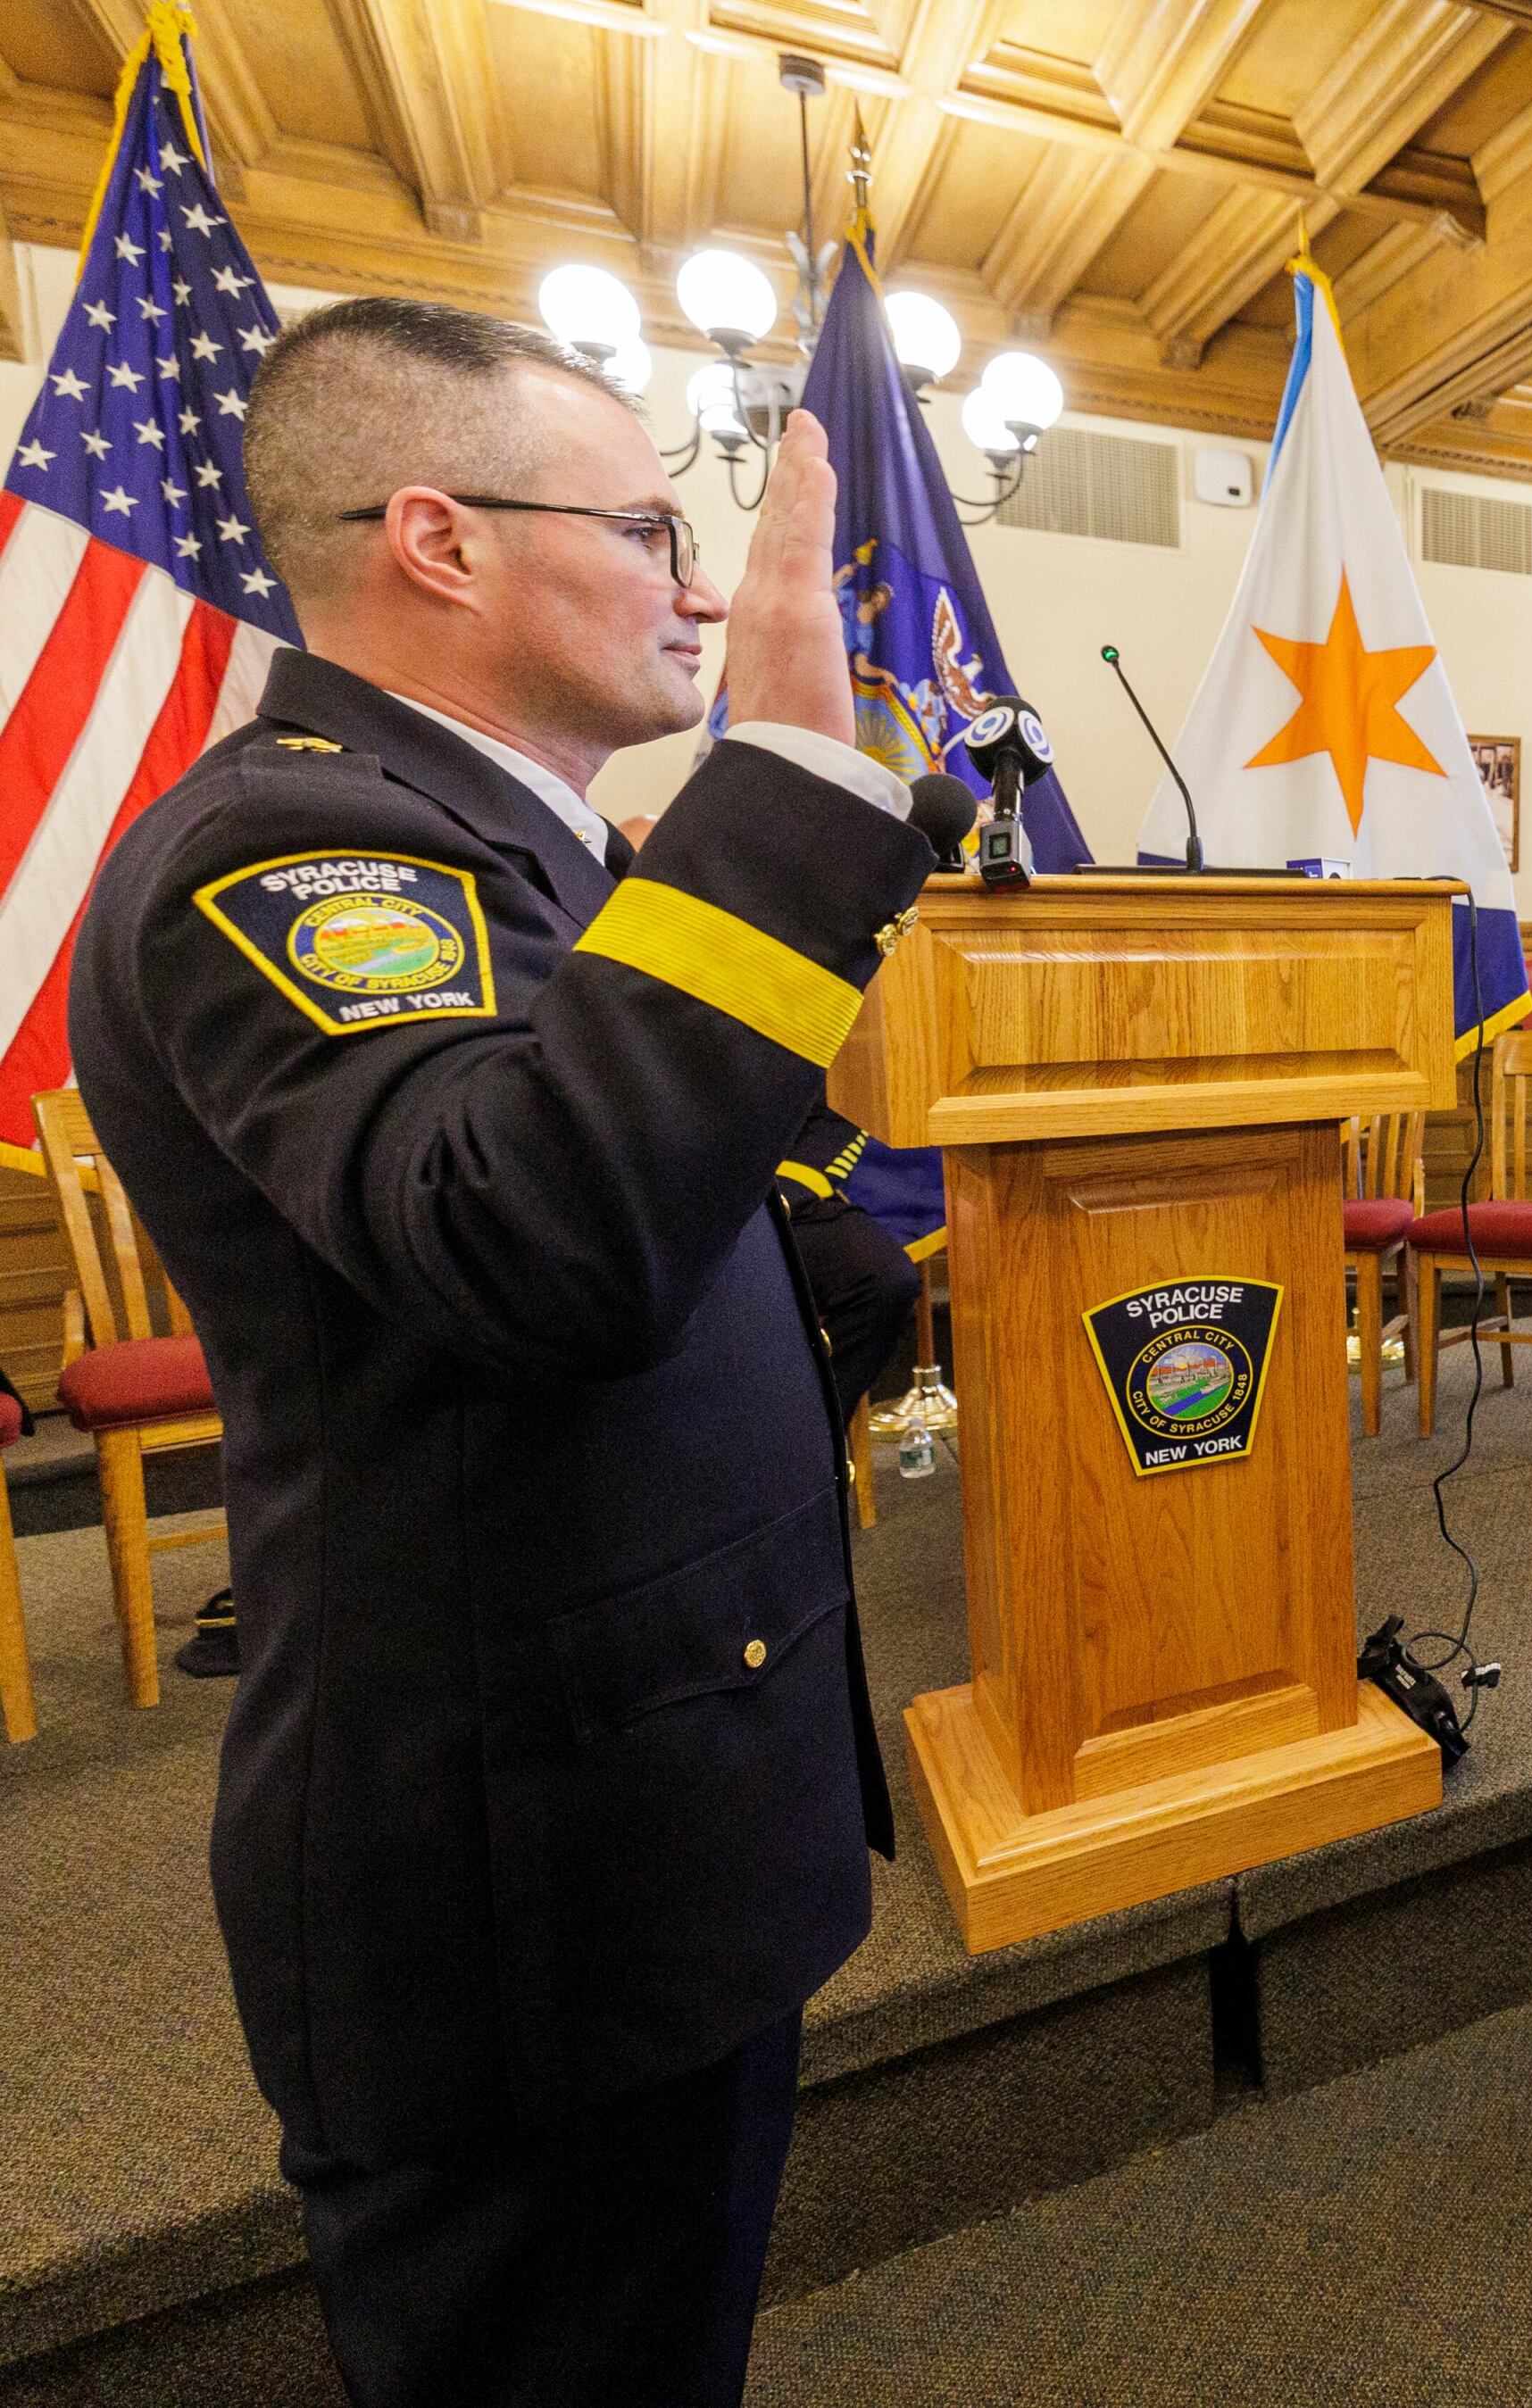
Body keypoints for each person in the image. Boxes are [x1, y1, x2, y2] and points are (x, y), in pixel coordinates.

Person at [65, 299, 938, 2407]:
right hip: (521, 1890)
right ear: (440, 543)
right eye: (648, 526)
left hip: (647, 1814)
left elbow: (669, 1195)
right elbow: (536, 1230)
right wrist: (797, 774)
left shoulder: (542, 850)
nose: (707, 581)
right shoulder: (297, 843)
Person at [773, 1102, 926, 1406]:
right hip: (682, 1196)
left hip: (780, 1196)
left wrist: (783, 1196)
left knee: (884, 1278)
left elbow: (838, 1110)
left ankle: (813, 1425)